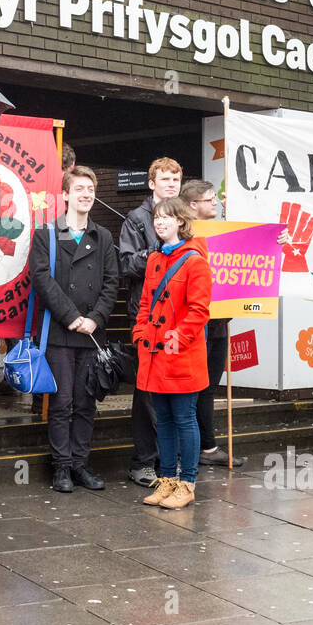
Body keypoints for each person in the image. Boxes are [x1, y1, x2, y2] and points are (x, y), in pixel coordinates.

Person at [27, 166, 119, 493]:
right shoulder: (48, 234)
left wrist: (95, 318)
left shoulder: (103, 236)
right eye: (79, 188)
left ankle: (80, 464)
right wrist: (71, 316)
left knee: (85, 403)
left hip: (92, 334)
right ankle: (61, 467)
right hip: (60, 332)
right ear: (65, 194)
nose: (86, 194)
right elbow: (42, 279)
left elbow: (111, 283)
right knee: (62, 401)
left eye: (90, 189)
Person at [134, 197, 211, 511]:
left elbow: (199, 310)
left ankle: (187, 483)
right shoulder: (154, 259)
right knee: (163, 421)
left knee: (184, 419)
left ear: (181, 220)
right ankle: (166, 479)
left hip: (181, 355)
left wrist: (177, 339)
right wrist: (140, 334)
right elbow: (144, 304)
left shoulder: (195, 260)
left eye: (166, 217)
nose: (160, 223)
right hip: (154, 354)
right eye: (156, 218)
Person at [118, 156, 182, 486]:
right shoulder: (137, 219)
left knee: (173, 387)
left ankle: (167, 460)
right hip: (145, 314)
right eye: (165, 179)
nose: (171, 184)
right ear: (151, 183)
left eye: (176, 179)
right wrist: (159, 250)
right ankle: (142, 462)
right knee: (146, 388)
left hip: (178, 316)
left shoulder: (184, 217)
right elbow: (127, 264)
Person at [181, 178, 240, 468]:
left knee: (209, 386)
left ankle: (207, 446)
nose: (214, 202)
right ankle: (197, 446)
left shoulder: (219, 231)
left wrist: (233, 212)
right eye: (209, 198)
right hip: (194, 322)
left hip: (219, 321)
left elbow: (243, 246)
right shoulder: (185, 235)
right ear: (193, 205)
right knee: (195, 386)